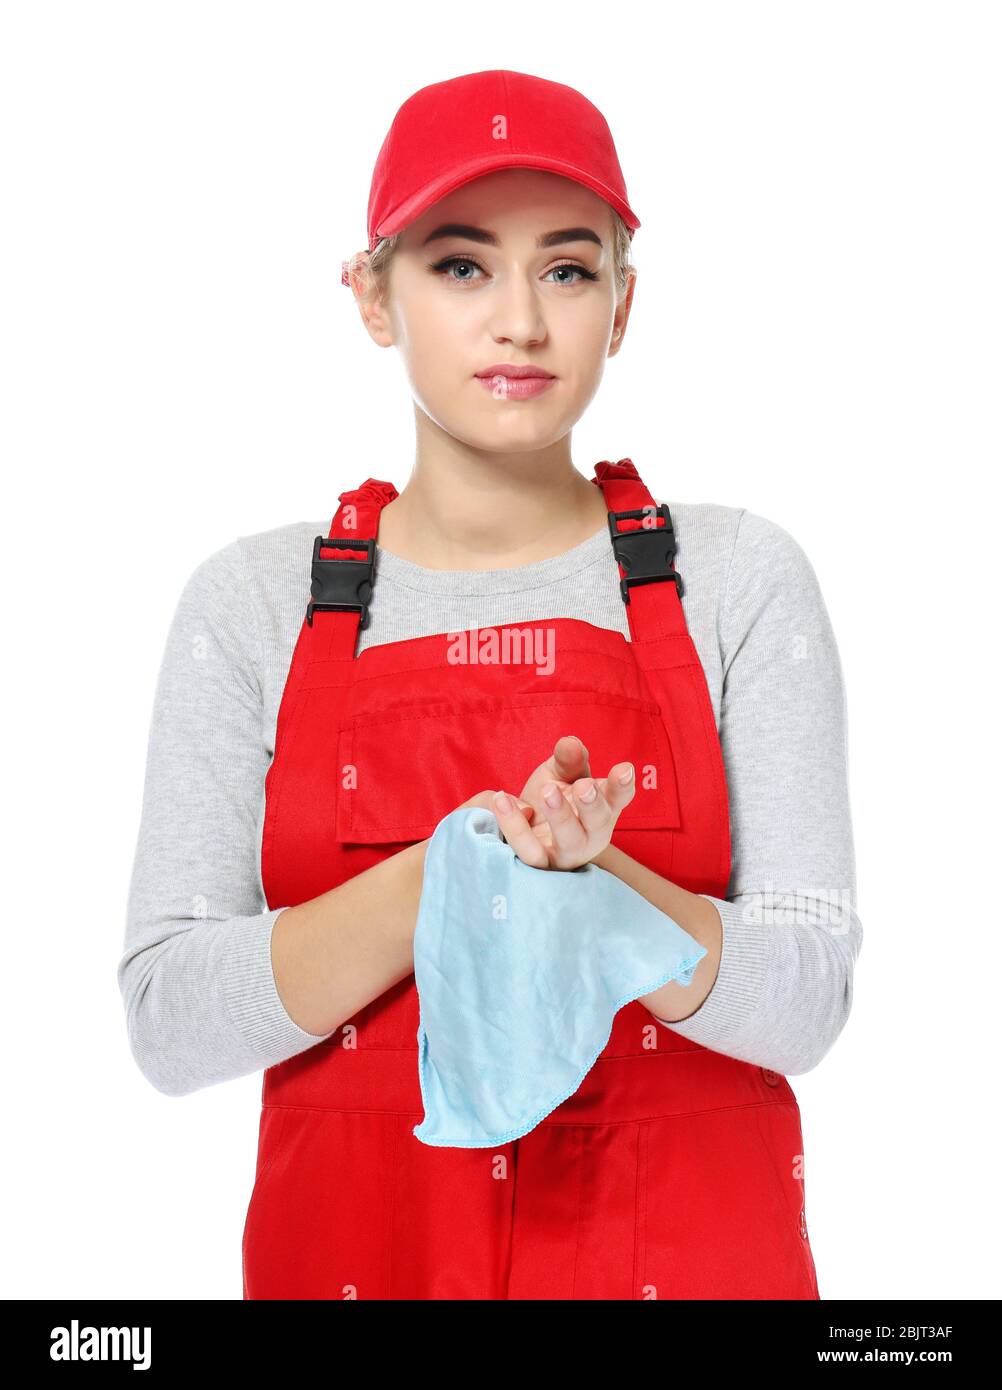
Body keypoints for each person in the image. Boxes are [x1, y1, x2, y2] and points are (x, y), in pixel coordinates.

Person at [119, 69, 863, 1300]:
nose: (520, 320)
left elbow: (809, 1001)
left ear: (623, 305)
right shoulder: (253, 605)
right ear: (371, 294)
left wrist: (600, 880)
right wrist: (459, 866)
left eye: (568, 270)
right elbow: (167, 1019)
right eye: (461, 266)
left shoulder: (739, 581)